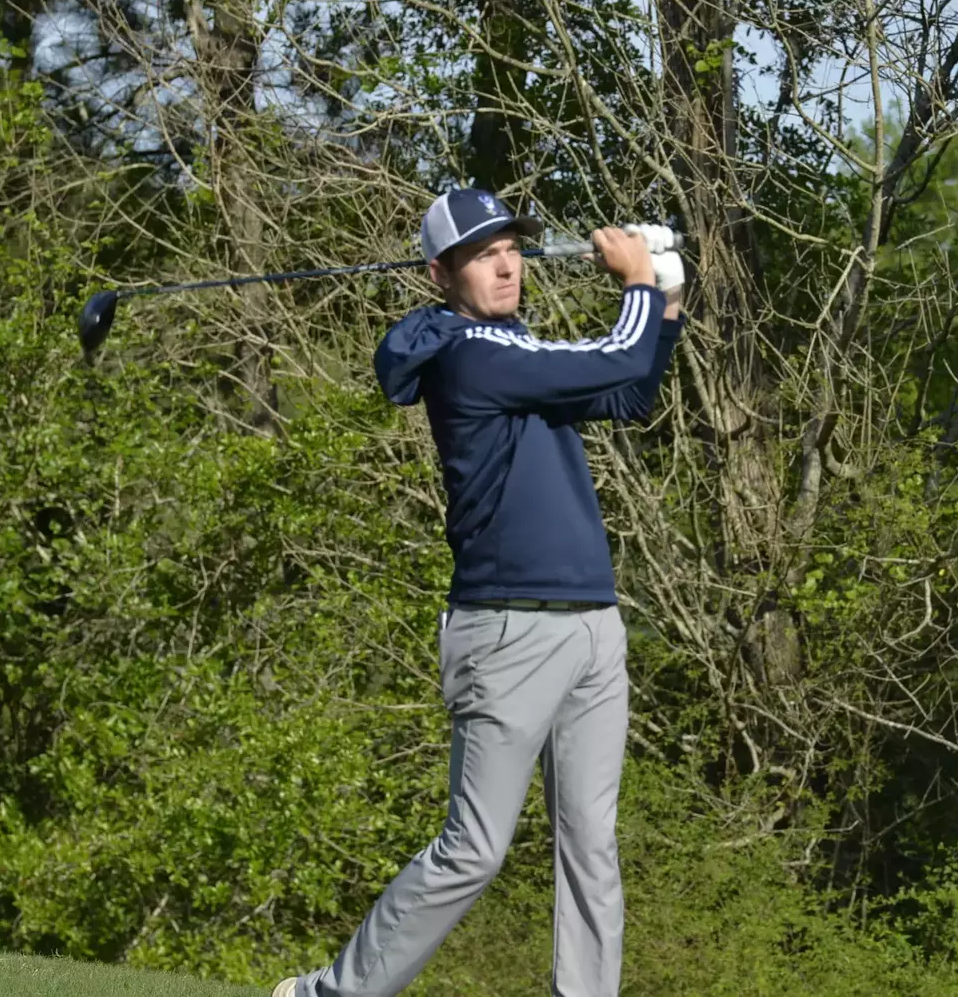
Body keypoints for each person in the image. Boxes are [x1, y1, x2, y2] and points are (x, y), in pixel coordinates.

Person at [272, 188, 686, 997]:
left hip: (593, 625)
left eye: (512, 249)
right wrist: (638, 280)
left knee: (591, 844)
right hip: (507, 631)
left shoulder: (520, 351)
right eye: (483, 254)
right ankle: (329, 993)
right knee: (474, 847)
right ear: (441, 273)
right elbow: (611, 359)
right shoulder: (470, 355)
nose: (506, 266)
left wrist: (664, 306)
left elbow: (628, 392)